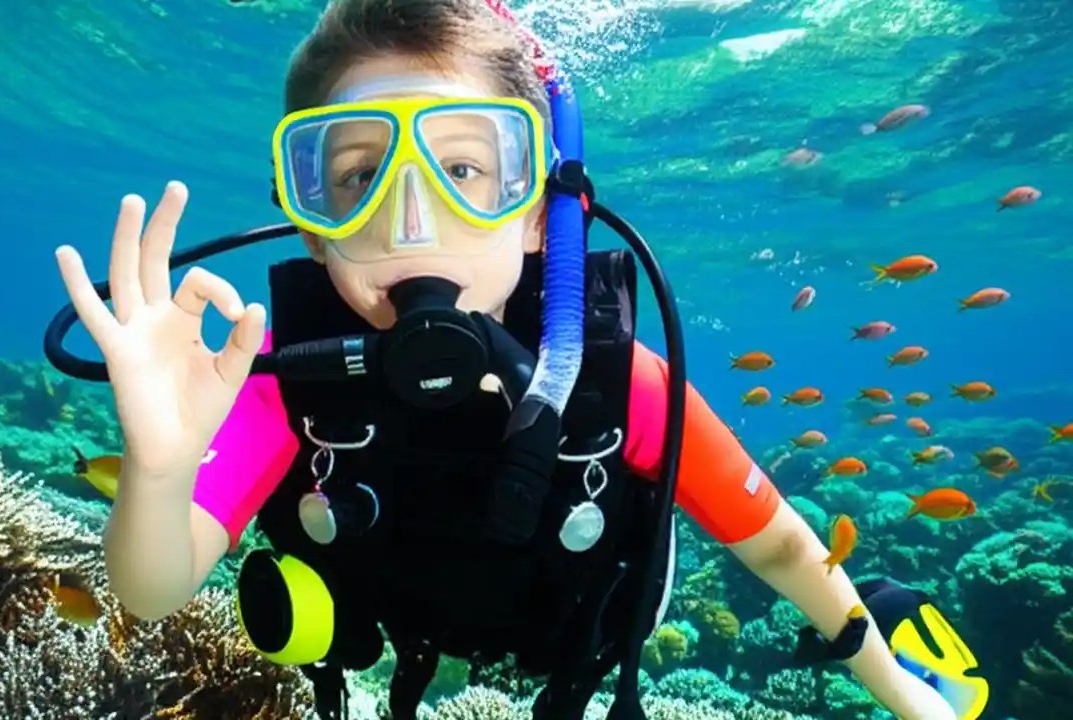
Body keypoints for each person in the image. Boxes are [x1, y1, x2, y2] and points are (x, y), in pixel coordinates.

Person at [51, 1, 969, 718]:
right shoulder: (278, 385)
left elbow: (776, 542)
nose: (409, 222)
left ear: (535, 209)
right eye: (359, 175)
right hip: (387, 621)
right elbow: (151, 586)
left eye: (461, 170)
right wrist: (161, 472)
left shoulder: (620, 384)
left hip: (574, 635)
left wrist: (894, 688)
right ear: (310, 220)